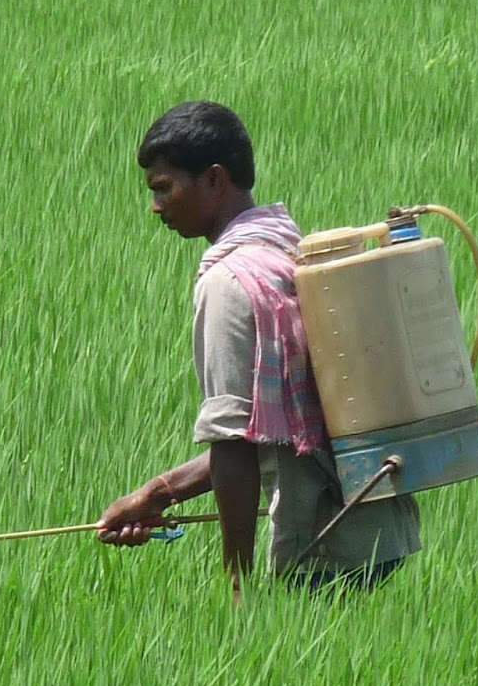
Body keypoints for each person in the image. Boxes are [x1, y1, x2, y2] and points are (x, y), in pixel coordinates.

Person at [97, 101, 421, 595]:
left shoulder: (230, 282)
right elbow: (268, 432)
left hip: (322, 548)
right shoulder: (286, 254)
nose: (156, 205)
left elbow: (235, 445)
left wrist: (237, 588)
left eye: (164, 187)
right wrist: (159, 493)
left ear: (214, 180)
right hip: (378, 530)